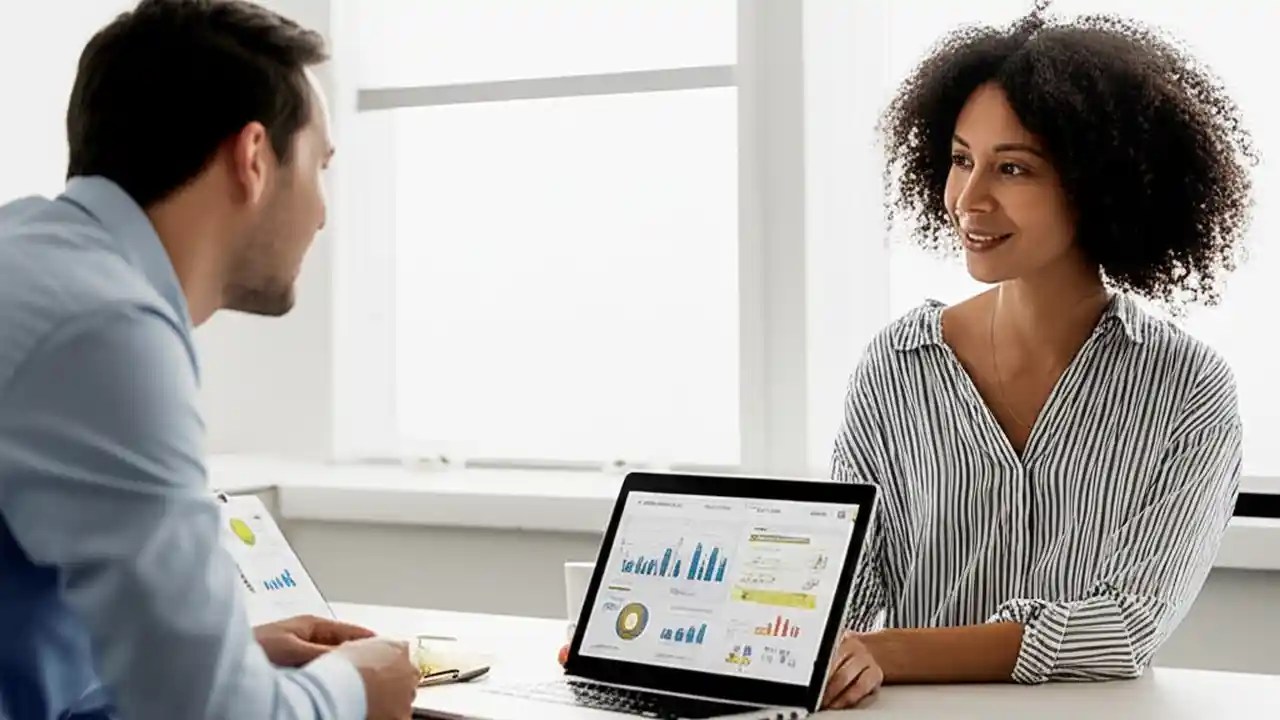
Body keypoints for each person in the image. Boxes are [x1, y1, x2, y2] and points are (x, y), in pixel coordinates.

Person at [821, 4, 1253, 710]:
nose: (969, 199)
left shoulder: (1187, 389)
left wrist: (889, 651)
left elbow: (1124, 627)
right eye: (961, 160)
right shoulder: (895, 367)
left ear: (1100, 186)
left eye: (1013, 168)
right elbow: (838, 588)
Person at [0, 1, 421, 719]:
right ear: (253, 158)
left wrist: (234, 658)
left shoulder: (33, 262)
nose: (322, 213)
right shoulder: (103, 327)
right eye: (320, 166)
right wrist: (356, 689)